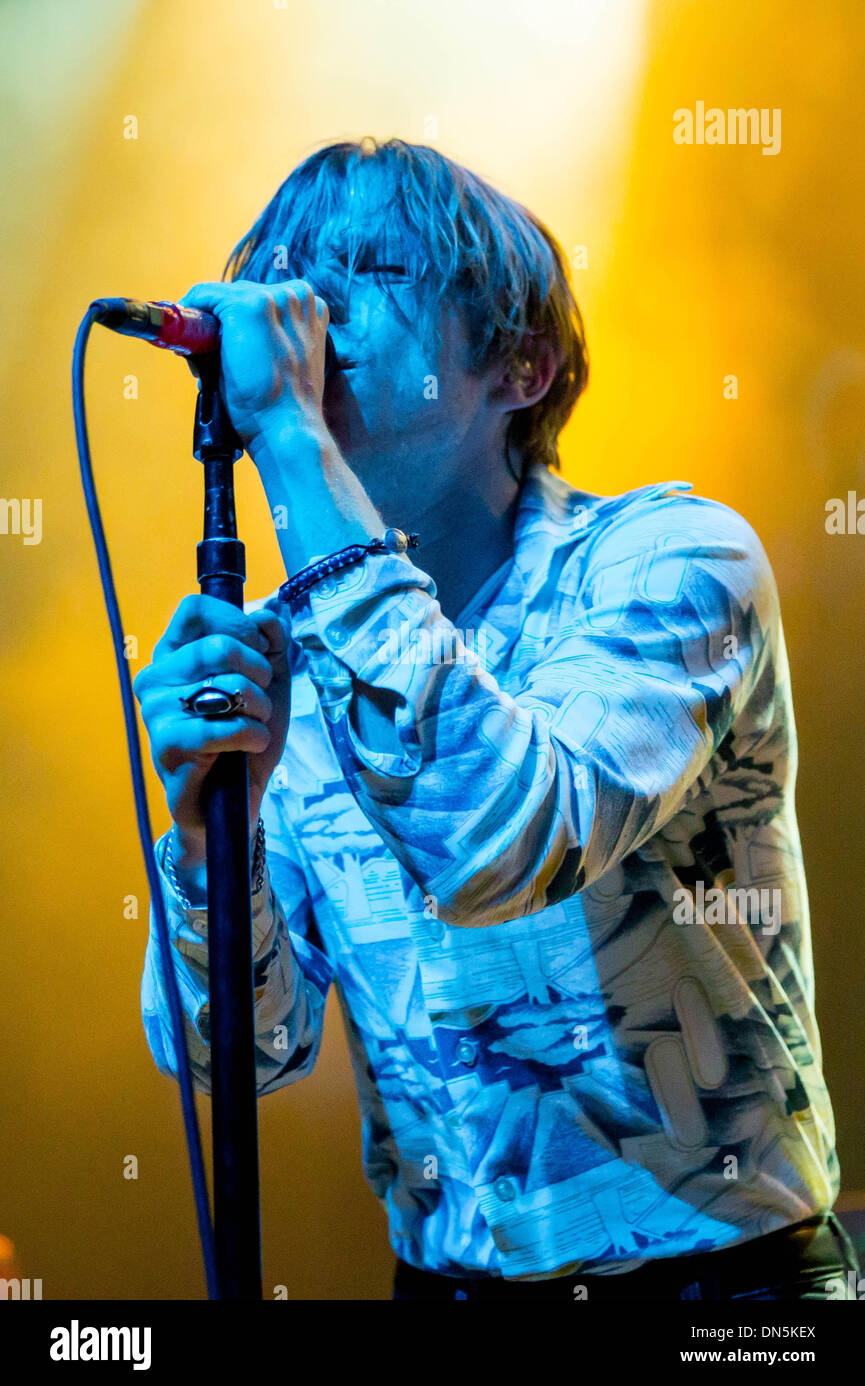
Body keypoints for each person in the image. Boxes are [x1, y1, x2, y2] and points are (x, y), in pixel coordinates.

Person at [134, 137, 855, 1300]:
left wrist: (294, 441)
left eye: (366, 268)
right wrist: (208, 822)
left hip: (721, 1291)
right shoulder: (290, 651)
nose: (303, 309)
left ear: (517, 365)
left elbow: (499, 841)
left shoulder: (671, 563)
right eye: (282, 270)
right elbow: (242, 1050)